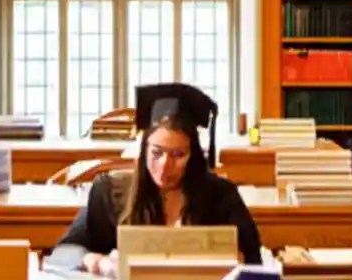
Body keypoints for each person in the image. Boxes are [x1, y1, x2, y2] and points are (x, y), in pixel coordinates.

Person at [43, 83, 263, 276]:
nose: (165, 165)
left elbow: (256, 263)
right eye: (156, 153)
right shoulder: (110, 192)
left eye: (178, 155)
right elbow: (63, 253)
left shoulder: (221, 196)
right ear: (143, 151)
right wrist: (96, 262)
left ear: (193, 155)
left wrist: (236, 260)